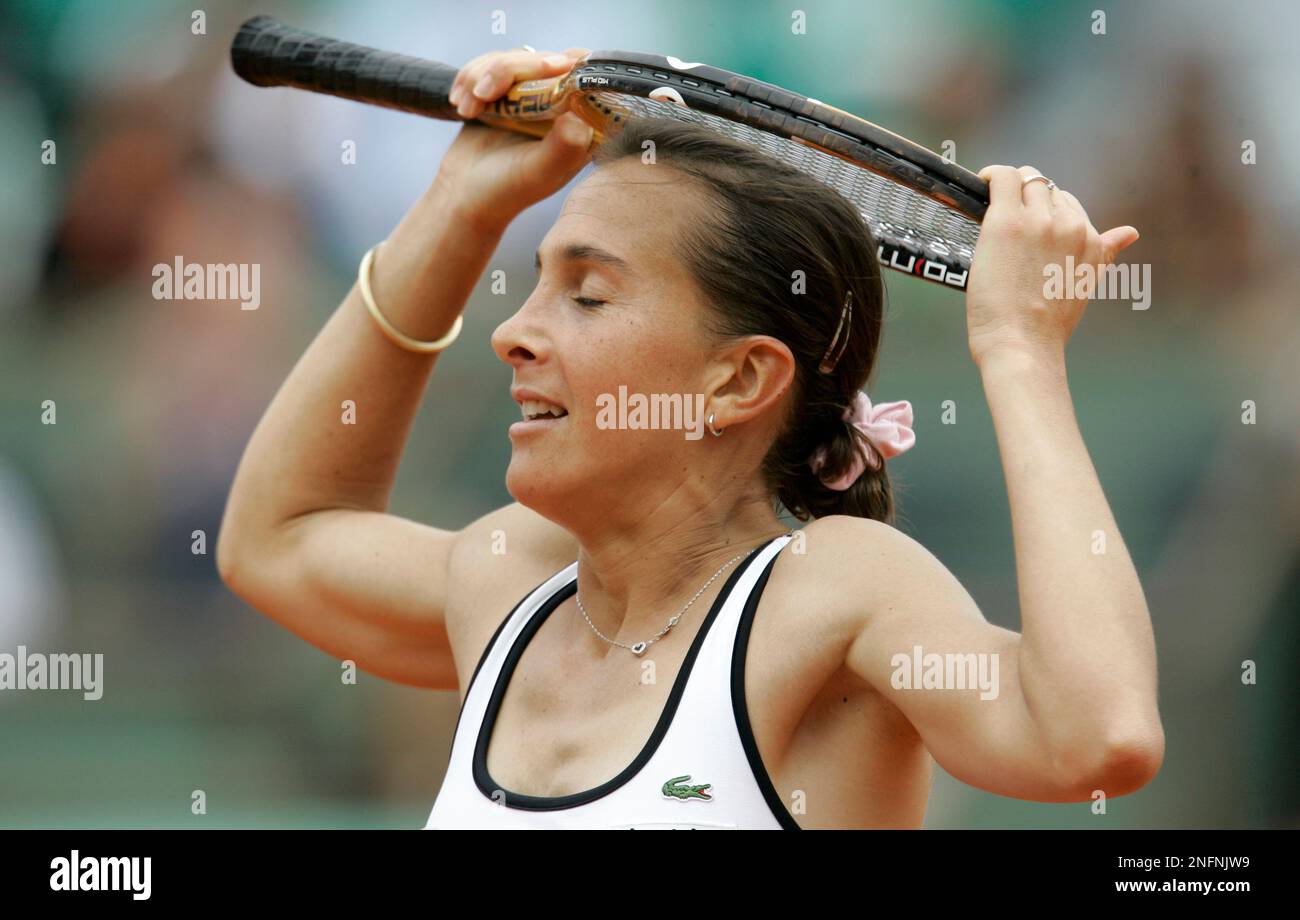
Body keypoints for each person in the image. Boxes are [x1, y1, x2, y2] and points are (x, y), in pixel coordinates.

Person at [216, 48, 1163, 829]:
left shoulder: (832, 593)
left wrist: (1020, 350)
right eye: (536, 282)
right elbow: (279, 539)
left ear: (741, 379)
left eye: (587, 295)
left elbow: (1098, 738)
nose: (513, 331)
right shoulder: (512, 577)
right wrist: (461, 208)